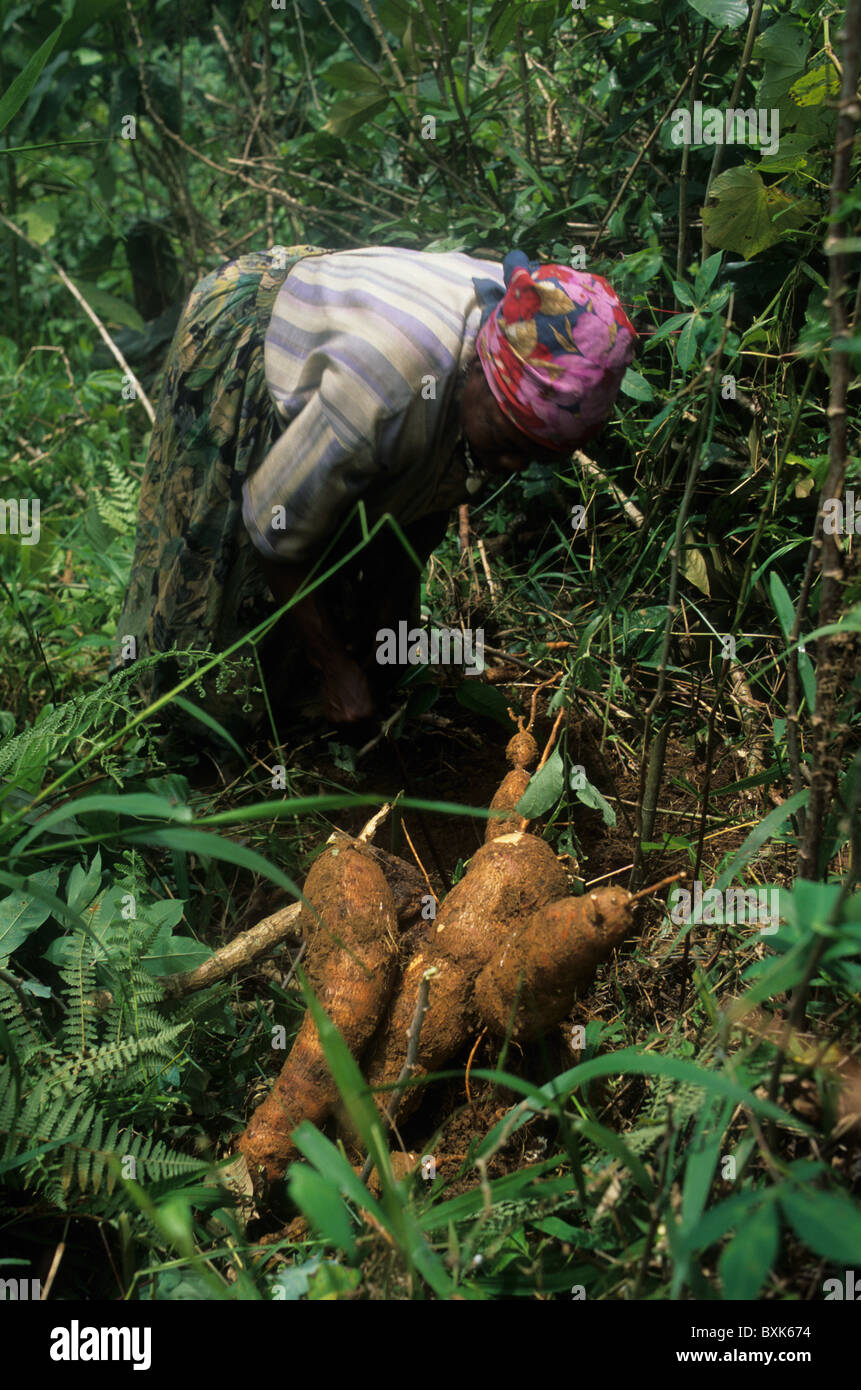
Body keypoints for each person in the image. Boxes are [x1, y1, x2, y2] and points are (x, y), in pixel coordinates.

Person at [113, 244, 636, 745]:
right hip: (248, 325)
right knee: (222, 583)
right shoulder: (382, 388)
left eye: (537, 454)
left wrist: (394, 606)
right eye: (507, 443)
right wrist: (333, 665)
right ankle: (158, 729)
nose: (514, 465)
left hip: (360, 336)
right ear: (480, 369)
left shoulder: (528, 324)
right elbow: (271, 529)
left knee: (378, 617)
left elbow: (436, 483)